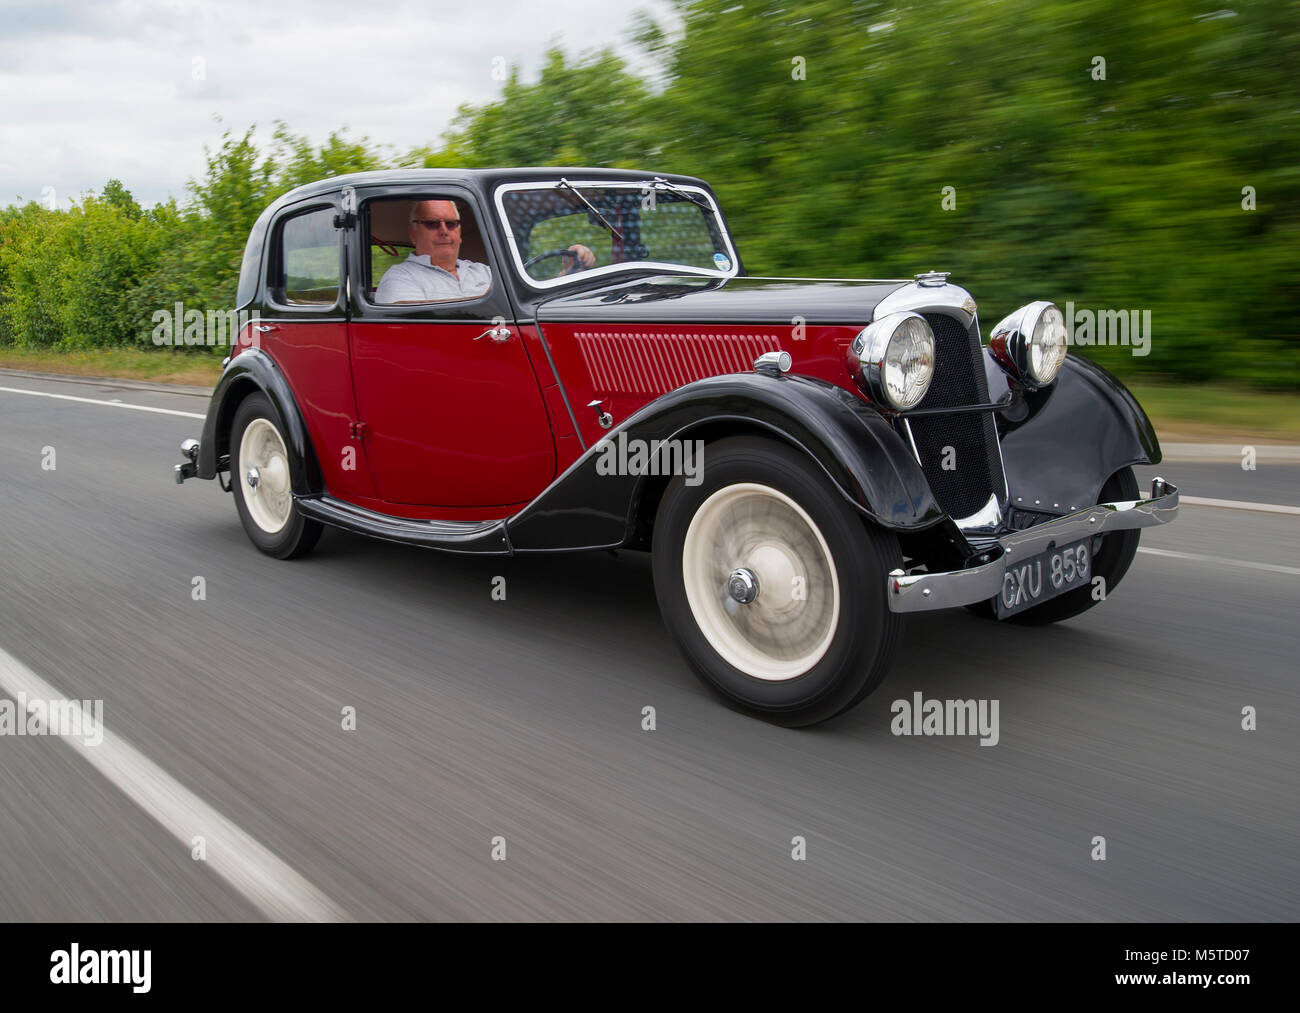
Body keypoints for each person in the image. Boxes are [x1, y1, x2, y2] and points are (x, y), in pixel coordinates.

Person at [374, 199, 491, 303]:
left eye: (450, 224)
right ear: (413, 234)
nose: (444, 231)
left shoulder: (485, 271)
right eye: (432, 224)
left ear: (459, 233)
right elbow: (414, 323)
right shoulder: (399, 277)